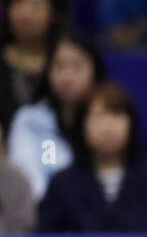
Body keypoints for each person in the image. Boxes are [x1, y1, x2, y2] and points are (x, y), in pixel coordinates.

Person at [38, 81, 147, 233]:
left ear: (131, 124)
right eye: (98, 116)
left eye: (116, 115)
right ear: (82, 125)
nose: (107, 127)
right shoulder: (62, 185)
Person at [6, 31, 103, 200]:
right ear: (48, 71)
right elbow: (30, 177)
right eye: (59, 66)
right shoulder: (30, 120)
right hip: (49, 217)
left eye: (77, 66)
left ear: (95, 70)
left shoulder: (109, 118)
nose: (67, 77)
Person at [0, 0, 64, 130]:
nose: (25, 13)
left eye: (36, 4)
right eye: (18, 1)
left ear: (54, 10)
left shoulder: (68, 57)